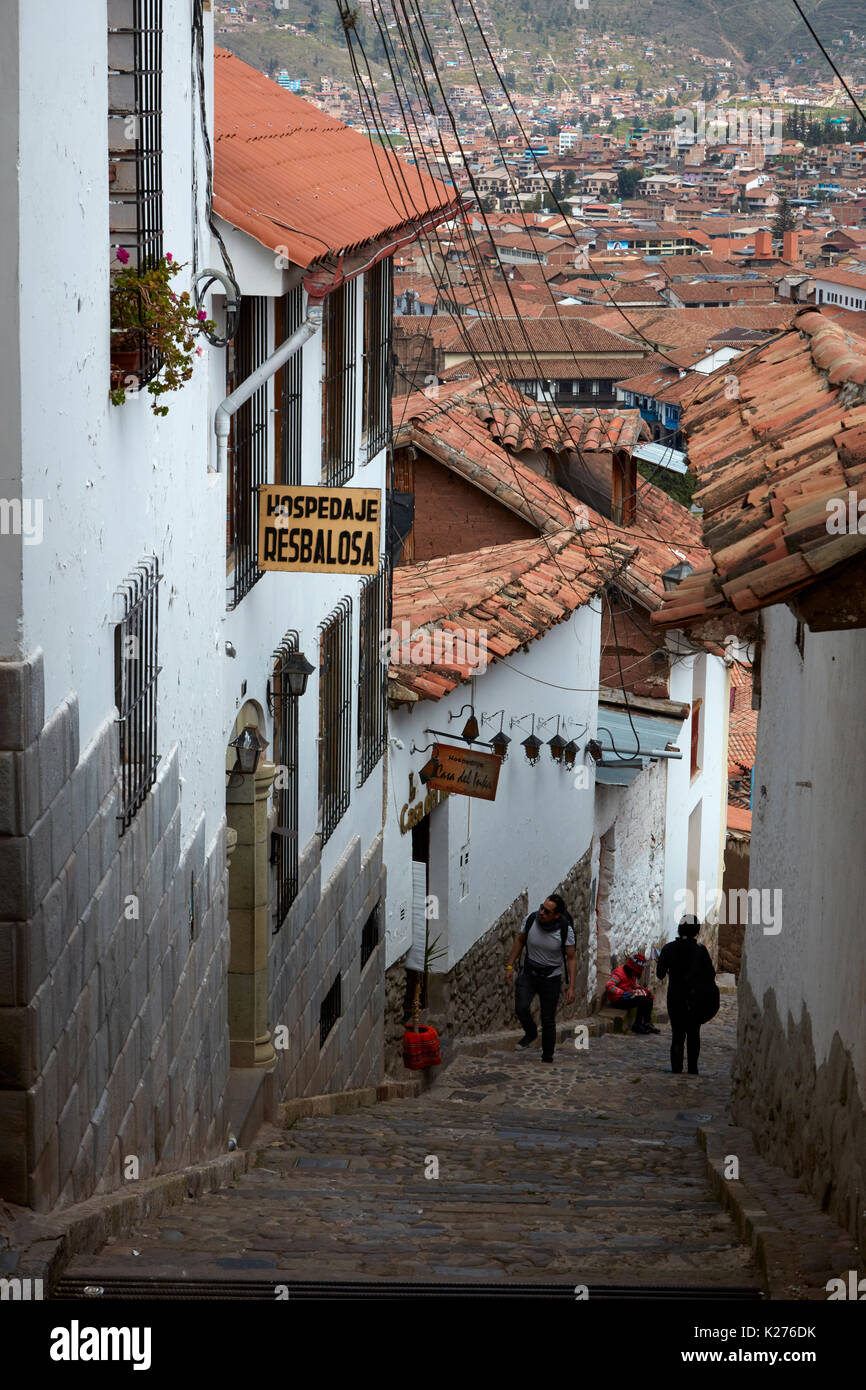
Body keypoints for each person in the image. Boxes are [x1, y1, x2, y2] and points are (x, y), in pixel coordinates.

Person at [505, 894, 576, 1063]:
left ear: (556, 915)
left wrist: (571, 986)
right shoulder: (530, 920)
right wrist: (509, 966)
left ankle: (547, 1057)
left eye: (547, 911)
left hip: (551, 978)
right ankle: (530, 1032)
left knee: (548, 1019)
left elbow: (571, 957)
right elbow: (520, 941)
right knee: (521, 1007)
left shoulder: (566, 930)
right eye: (541, 908)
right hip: (529, 973)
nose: (541, 912)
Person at [656, 915, 717, 1075]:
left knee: (677, 1033)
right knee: (693, 1032)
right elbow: (710, 974)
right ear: (697, 931)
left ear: (680, 928)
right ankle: (692, 1069)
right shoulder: (701, 951)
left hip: (675, 997)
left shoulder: (669, 948)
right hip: (694, 998)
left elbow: (660, 974)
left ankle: (676, 1068)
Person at [604, 952, 660, 1033]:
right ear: (631, 968)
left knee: (649, 996)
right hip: (617, 1000)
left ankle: (647, 1023)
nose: (636, 975)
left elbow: (632, 985)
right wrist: (622, 993)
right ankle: (637, 1025)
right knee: (641, 999)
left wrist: (641, 989)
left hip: (627, 996)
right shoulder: (619, 973)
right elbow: (609, 985)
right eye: (635, 972)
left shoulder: (631, 974)